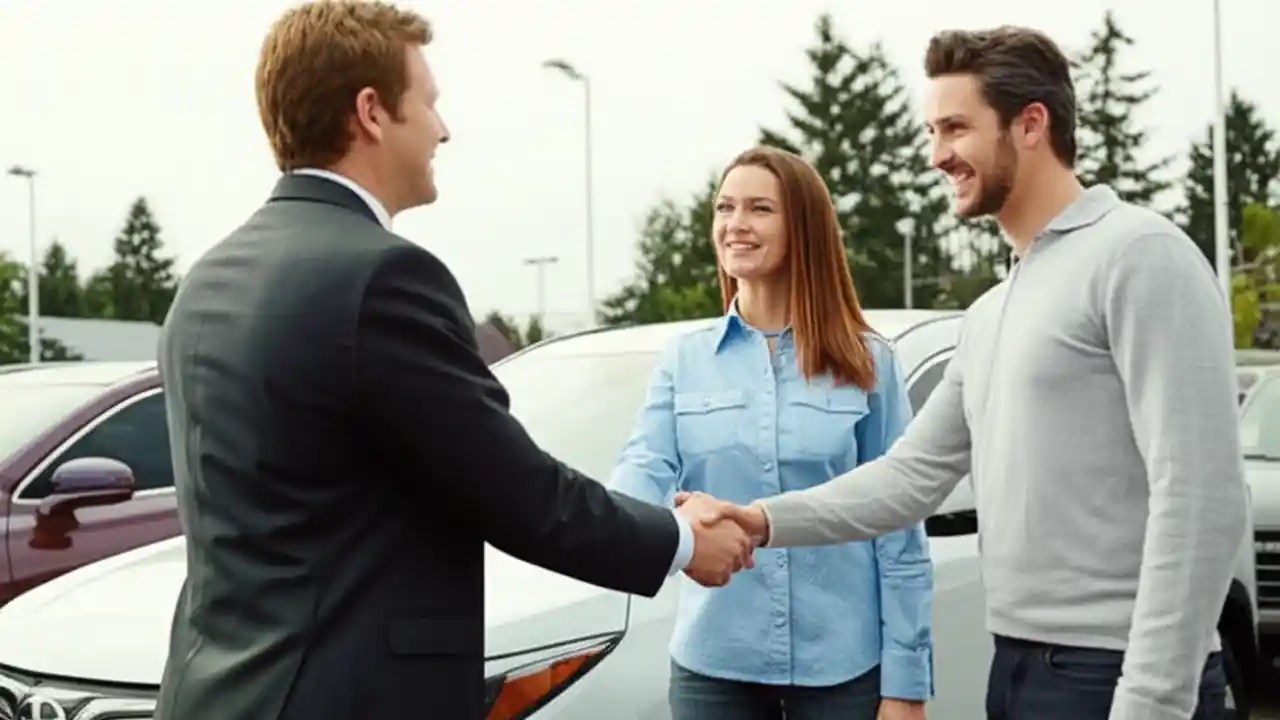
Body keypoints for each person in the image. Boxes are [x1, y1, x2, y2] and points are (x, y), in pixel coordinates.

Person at [152, 3, 753, 719]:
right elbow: (520, 493)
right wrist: (683, 541)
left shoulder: (207, 280)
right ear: (371, 112)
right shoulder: (382, 277)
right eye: (429, 103)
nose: (443, 128)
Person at [689, 26, 1247, 720]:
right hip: (1017, 669)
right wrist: (762, 519)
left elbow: (1201, 494)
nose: (936, 155)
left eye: (955, 128)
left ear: (1031, 124)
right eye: (931, 130)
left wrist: (1151, 700)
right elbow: (910, 476)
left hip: (1116, 677)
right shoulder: (991, 311)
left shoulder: (1140, 255)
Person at [610, 146, 933, 720]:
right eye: (724, 207)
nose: (736, 224)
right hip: (715, 668)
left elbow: (898, 528)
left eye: (759, 209)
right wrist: (658, 527)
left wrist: (906, 684)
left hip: (844, 669)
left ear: (803, 228)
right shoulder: (684, 360)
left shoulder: (869, 364)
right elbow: (642, 473)